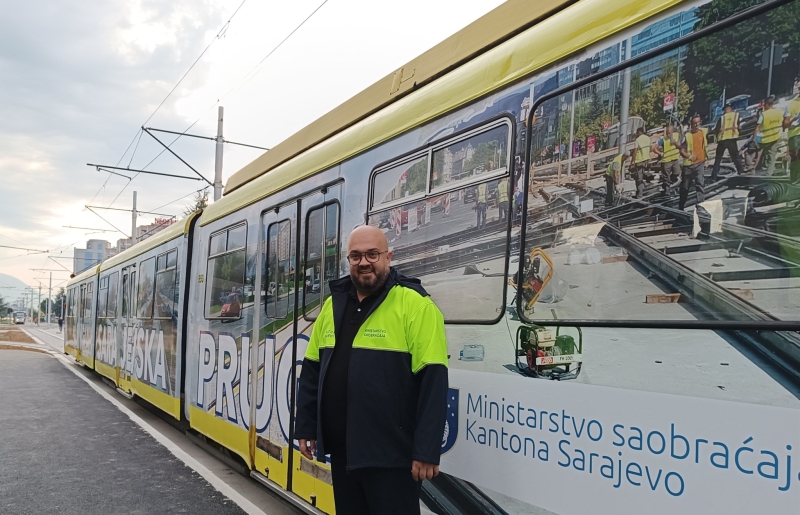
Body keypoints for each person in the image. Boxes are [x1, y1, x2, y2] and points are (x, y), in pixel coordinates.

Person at [295, 225, 448, 515]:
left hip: (392, 457)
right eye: (356, 256)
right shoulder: (333, 305)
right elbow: (313, 370)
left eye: (372, 254)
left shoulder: (415, 305)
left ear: (388, 257)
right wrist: (306, 425)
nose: (364, 262)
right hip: (343, 453)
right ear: (348, 260)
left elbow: (434, 381)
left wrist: (427, 450)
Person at [678, 114, 708, 211]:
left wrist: (706, 159)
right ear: (691, 124)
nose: (696, 125)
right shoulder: (687, 136)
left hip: (700, 163)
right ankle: (681, 205)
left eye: (698, 122)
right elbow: (682, 151)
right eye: (694, 123)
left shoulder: (703, 132)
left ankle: (700, 206)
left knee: (700, 183)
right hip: (689, 166)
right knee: (685, 188)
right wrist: (689, 157)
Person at [749, 95, 784, 175]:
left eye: (764, 105)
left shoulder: (764, 114)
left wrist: (753, 139)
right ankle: (769, 173)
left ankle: (751, 169)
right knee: (772, 156)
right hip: (776, 137)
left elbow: (757, 128)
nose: (763, 107)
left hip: (764, 139)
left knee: (752, 150)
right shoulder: (779, 112)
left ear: (767, 104)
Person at [711, 103, 744, 180]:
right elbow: (739, 127)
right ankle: (740, 171)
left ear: (725, 109)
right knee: (735, 156)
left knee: (718, 159)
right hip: (732, 139)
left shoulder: (722, 117)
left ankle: (714, 175)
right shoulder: (736, 115)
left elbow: (717, 129)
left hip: (722, 140)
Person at [653, 122, 682, 195]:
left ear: (672, 131)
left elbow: (680, 145)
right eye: (667, 133)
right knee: (666, 176)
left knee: (677, 172)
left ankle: (670, 182)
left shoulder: (676, 136)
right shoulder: (663, 140)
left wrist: (674, 142)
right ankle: (667, 190)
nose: (668, 135)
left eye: (669, 133)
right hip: (666, 161)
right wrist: (660, 153)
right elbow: (654, 148)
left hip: (674, 159)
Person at [783, 78, 800, 183]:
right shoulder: (791, 104)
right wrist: (794, 119)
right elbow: (785, 124)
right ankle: (794, 182)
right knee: (796, 160)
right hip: (795, 136)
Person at [631, 126, 651, 198]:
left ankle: (640, 195)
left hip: (639, 160)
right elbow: (649, 148)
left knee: (639, 178)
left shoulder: (638, 140)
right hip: (646, 160)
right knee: (641, 176)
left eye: (637, 133)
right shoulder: (648, 138)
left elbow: (635, 151)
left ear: (639, 132)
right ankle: (641, 191)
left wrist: (632, 162)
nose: (636, 134)